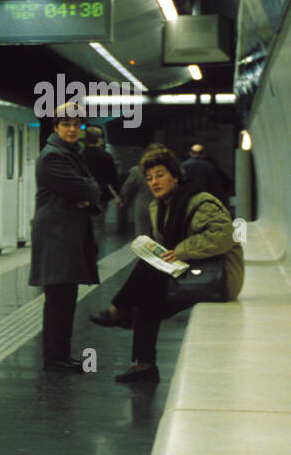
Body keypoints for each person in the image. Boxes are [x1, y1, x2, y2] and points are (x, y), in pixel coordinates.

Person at [90, 146, 244, 383]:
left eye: (160, 175)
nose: (154, 182)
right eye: (150, 178)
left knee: (148, 286)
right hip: (191, 272)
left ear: (175, 175)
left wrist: (180, 251)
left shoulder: (199, 202)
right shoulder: (158, 207)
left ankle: (119, 309)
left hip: (218, 277)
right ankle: (145, 366)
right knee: (147, 298)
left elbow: (224, 235)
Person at [30, 105, 102, 372]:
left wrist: (88, 193)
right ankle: (55, 358)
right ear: (55, 127)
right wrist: (87, 193)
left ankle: (60, 355)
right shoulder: (52, 157)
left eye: (76, 124)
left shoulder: (71, 154)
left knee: (66, 297)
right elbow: (85, 187)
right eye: (66, 124)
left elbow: (91, 189)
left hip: (66, 234)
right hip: (57, 237)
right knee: (59, 299)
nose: (72, 129)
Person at [117, 142, 165, 237]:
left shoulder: (137, 170)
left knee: (143, 237)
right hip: (164, 206)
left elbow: (126, 190)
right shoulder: (169, 171)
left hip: (144, 207)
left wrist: (125, 203)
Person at [181, 143, 232, 210]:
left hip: (187, 204)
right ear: (204, 154)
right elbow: (221, 187)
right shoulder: (212, 167)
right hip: (208, 204)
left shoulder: (182, 167)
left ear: (191, 153)